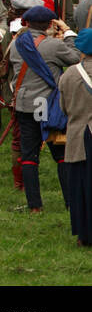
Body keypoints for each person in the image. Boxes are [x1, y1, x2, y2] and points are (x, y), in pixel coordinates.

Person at [9, 5, 79, 213]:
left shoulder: (15, 44)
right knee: (61, 154)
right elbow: (75, 57)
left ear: (27, 23)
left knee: (29, 156)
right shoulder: (53, 46)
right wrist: (67, 33)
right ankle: (70, 202)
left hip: (23, 104)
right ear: (50, 24)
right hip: (48, 106)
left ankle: (34, 206)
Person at [58, 28, 92, 246]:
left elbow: (63, 108)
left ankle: (84, 235)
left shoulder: (69, 74)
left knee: (80, 186)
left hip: (79, 136)